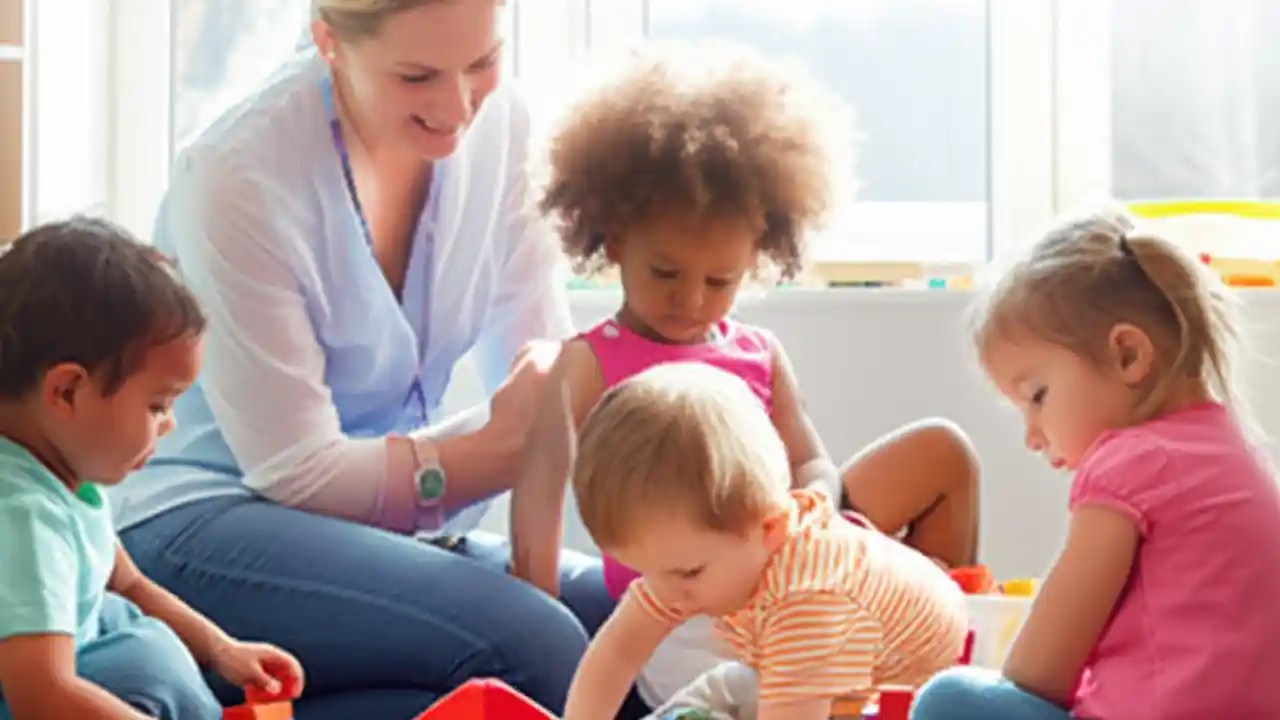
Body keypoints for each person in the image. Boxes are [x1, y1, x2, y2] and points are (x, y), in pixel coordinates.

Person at [108, 2, 615, 718]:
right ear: (328, 41)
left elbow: (544, 372)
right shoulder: (238, 176)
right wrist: (504, 450)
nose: (459, 105)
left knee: (633, 616)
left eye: (481, 62)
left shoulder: (503, 129)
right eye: (417, 76)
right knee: (537, 646)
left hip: (382, 533)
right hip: (202, 524)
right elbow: (298, 471)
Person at [507, 41, 980, 710]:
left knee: (941, 453)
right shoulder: (588, 362)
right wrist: (540, 611)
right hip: (692, 575)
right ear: (614, 241)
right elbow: (541, 492)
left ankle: (903, 649)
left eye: (720, 280)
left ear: (756, 258)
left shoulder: (758, 350)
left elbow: (811, 460)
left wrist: (814, 518)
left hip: (769, 538)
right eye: (665, 274)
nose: (691, 300)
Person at [911, 210, 1280, 719]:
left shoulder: (1128, 463)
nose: (1031, 437)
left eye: (1037, 396)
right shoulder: (1236, 452)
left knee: (948, 699)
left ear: (1128, 355)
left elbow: (1039, 673)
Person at [0, 218, 303, 720]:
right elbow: (44, 694)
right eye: (158, 405)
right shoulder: (24, 518)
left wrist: (220, 649)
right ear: (67, 391)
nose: (169, 425)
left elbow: (128, 582)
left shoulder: (62, 478)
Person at [553, 362, 967, 720]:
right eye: (645, 571)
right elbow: (617, 652)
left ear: (770, 529)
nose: (664, 594)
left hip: (894, 694)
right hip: (811, 677)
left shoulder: (809, 602)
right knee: (720, 689)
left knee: (738, 690)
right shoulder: (698, 561)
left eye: (688, 572)